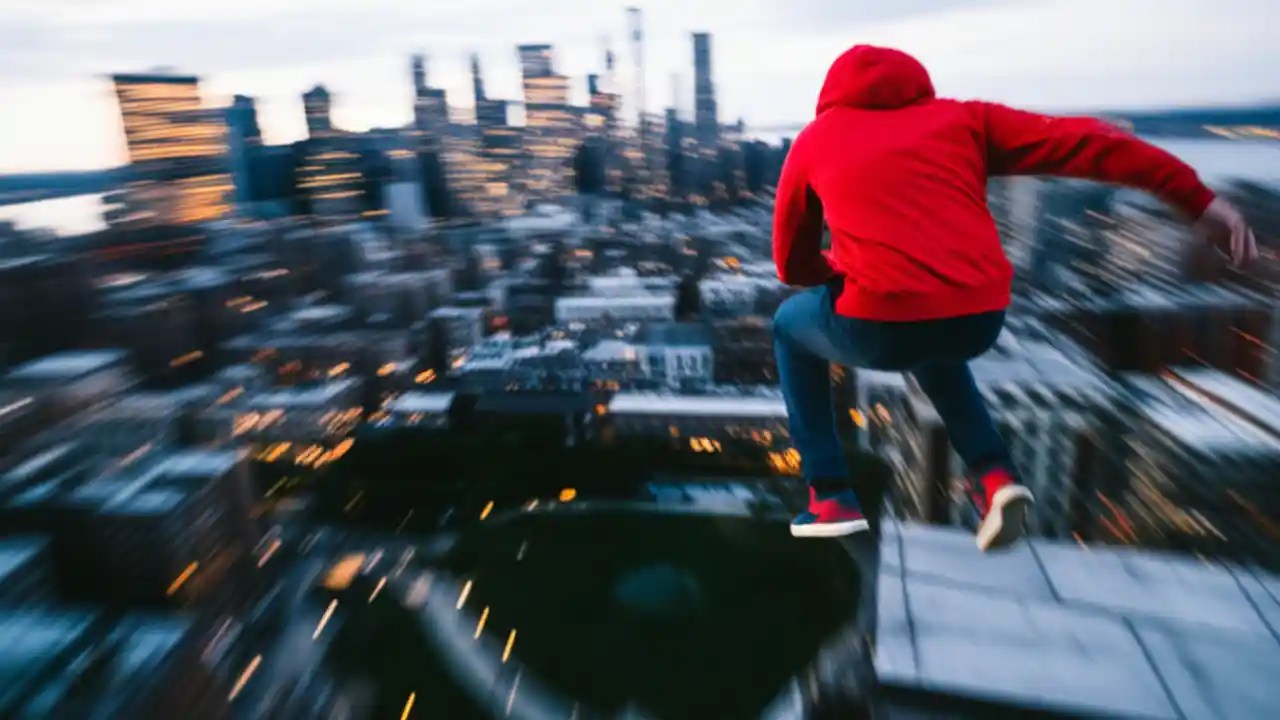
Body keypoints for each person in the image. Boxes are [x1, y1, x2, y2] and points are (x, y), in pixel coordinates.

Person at [773, 45, 1258, 548]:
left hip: (877, 323)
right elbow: (1091, 141)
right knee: (935, 343)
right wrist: (1197, 198)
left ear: (832, 94)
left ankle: (829, 493)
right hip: (979, 316)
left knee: (788, 327)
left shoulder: (814, 141)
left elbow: (791, 265)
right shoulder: (963, 119)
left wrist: (837, 265)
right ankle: (996, 478)